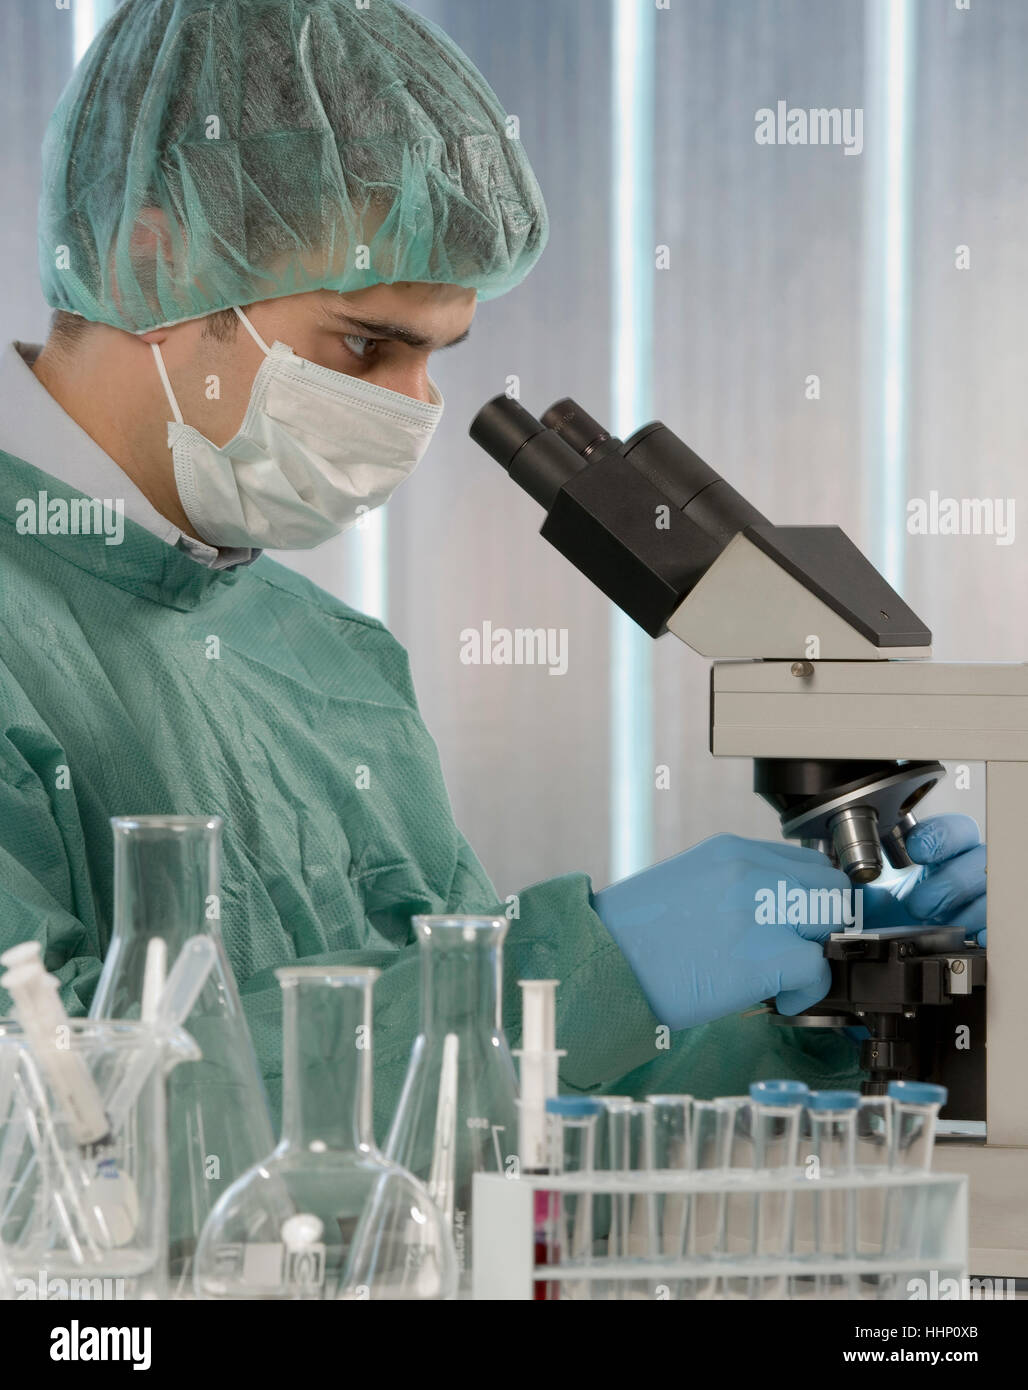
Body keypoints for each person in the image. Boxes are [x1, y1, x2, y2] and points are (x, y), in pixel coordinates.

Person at [0, 0, 985, 1139]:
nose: (413, 405)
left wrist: (837, 1020)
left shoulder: (329, 663)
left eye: (436, 352)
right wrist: (601, 965)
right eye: (366, 344)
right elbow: (51, 1123)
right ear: (151, 258)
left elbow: (478, 1100)